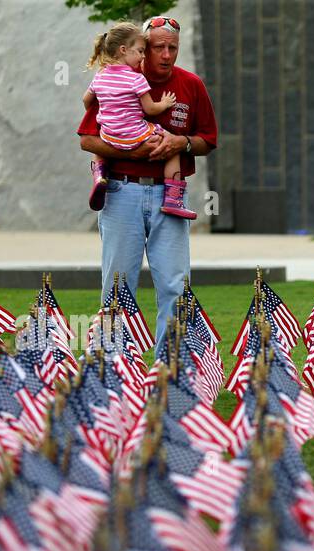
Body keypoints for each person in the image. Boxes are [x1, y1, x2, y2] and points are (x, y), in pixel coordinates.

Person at [77, 15, 218, 346]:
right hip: (121, 191)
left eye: (173, 48)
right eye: (158, 48)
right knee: (118, 284)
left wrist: (179, 143)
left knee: (174, 283)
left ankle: (171, 367)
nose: (166, 55)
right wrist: (134, 152)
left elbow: (208, 140)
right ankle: (112, 368)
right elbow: (86, 138)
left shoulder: (191, 85)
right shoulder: (118, 78)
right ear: (141, 49)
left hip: (169, 197)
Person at [83, 22, 195, 220]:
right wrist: (166, 103)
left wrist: (107, 113)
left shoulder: (100, 76)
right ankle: (173, 199)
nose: (142, 56)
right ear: (124, 50)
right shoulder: (136, 79)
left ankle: (99, 176)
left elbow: (86, 101)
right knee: (169, 143)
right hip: (135, 136)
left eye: (172, 48)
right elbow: (150, 108)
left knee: (100, 143)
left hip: (109, 134)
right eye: (141, 51)